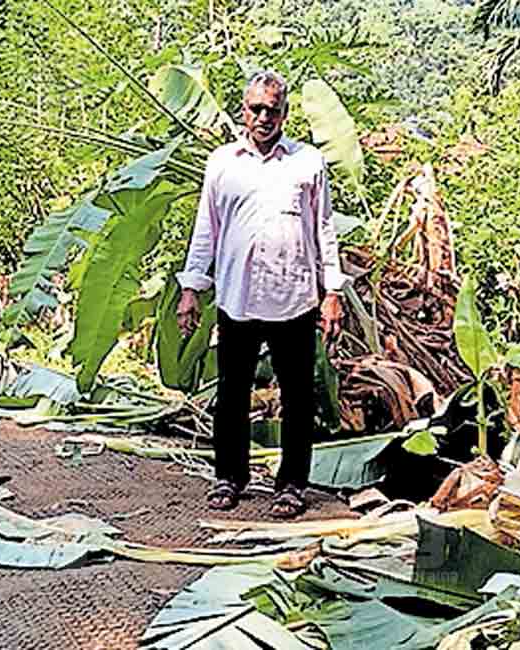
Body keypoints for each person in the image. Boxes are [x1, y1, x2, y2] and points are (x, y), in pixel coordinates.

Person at [176, 70, 346, 519]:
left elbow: (323, 228)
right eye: (257, 108)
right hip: (237, 297)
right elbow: (205, 230)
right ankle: (229, 477)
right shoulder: (223, 164)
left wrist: (333, 291)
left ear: (285, 114)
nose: (264, 116)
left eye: (273, 109)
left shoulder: (307, 163)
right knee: (231, 394)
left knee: (297, 396)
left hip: (294, 297)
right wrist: (192, 287)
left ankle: (291, 484)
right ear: (243, 111)